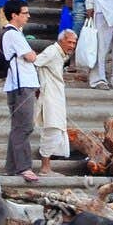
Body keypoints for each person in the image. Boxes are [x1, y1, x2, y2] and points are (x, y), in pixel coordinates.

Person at [0, 0, 40, 182]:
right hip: (20, 85)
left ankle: (11, 166)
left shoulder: (16, 34)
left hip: (21, 84)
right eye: (24, 13)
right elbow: (31, 56)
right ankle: (23, 166)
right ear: (14, 15)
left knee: (18, 127)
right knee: (24, 127)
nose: (28, 16)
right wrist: (33, 53)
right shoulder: (13, 34)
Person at [33, 30, 77, 176]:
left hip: (56, 96)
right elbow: (35, 62)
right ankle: (45, 168)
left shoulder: (59, 54)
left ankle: (47, 167)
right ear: (61, 41)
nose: (72, 45)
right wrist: (37, 86)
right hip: (50, 97)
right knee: (52, 130)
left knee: (56, 130)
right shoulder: (52, 51)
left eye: (74, 43)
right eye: (69, 42)